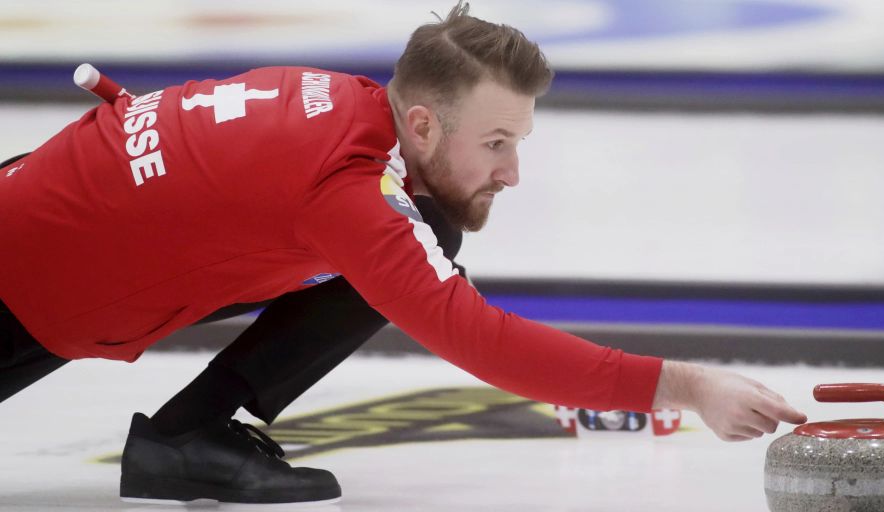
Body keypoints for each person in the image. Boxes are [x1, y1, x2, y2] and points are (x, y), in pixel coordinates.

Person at [0, 2, 807, 506]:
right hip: (21, 286)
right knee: (418, 246)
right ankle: (187, 437)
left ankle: (191, 436)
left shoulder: (339, 106)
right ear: (422, 124)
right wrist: (686, 386)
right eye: (496, 142)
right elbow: (480, 338)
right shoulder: (346, 191)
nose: (513, 172)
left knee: (430, 234)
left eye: (517, 142)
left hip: (37, 242)